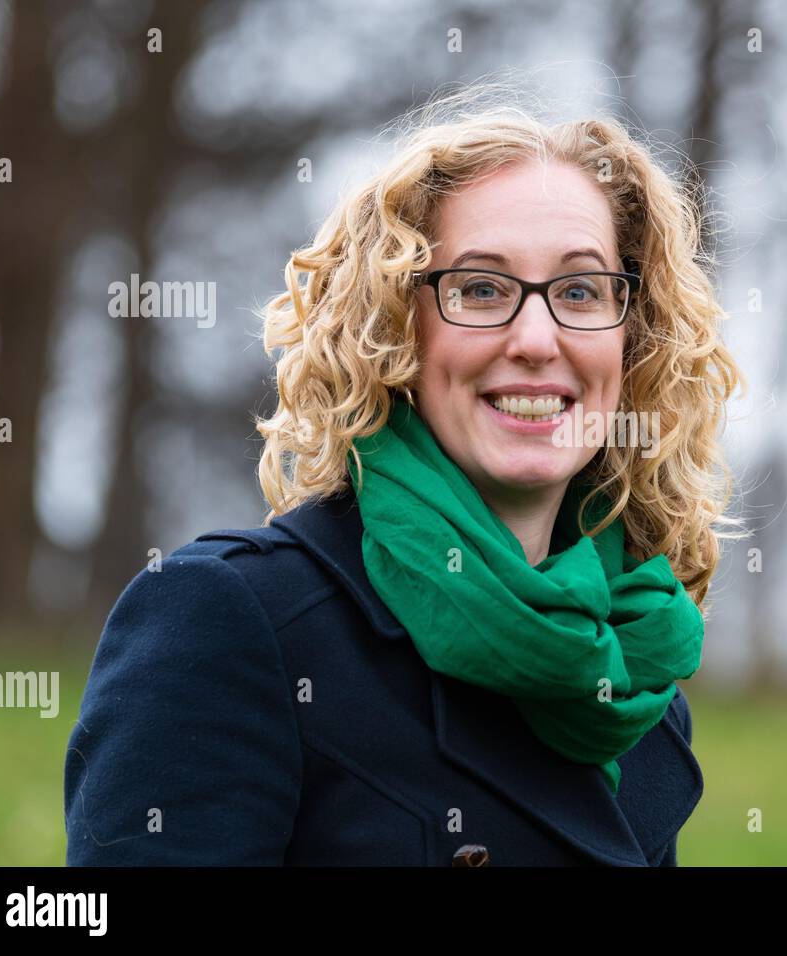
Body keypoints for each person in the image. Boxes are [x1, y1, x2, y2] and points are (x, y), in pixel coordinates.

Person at [63, 89, 744, 866]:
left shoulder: (636, 675)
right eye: (480, 289)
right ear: (395, 328)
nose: (536, 337)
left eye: (580, 291)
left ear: (634, 336)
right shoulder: (231, 622)